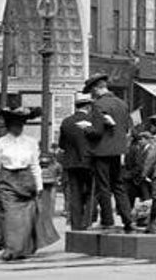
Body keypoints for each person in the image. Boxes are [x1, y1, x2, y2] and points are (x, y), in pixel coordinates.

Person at [0, 106, 58, 261]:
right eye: (15, 125)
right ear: (9, 126)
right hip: (7, 181)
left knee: (26, 217)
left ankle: (22, 247)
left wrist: (39, 186)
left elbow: (35, 165)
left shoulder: (31, 142)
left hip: (26, 181)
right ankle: (11, 249)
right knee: (11, 216)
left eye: (20, 125)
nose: (18, 128)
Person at [85, 72, 134, 232]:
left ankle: (108, 220)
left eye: (91, 90)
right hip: (118, 151)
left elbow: (97, 132)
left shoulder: (98, 105)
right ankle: (128, 219)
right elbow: (126, 128)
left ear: (96, 89)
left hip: (101, 151)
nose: (91, 94)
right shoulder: (122, 103)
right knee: (118, 186)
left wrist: (87, 129)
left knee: (103, 187)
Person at [57, 94, 98, 231]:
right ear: (88, 106)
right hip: (89, 162)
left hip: (71, 163)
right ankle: (87, 222)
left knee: (75, 194)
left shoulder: (66, 121)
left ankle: (76, 224)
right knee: (91, 193)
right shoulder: (92, 121)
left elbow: (62, 144)